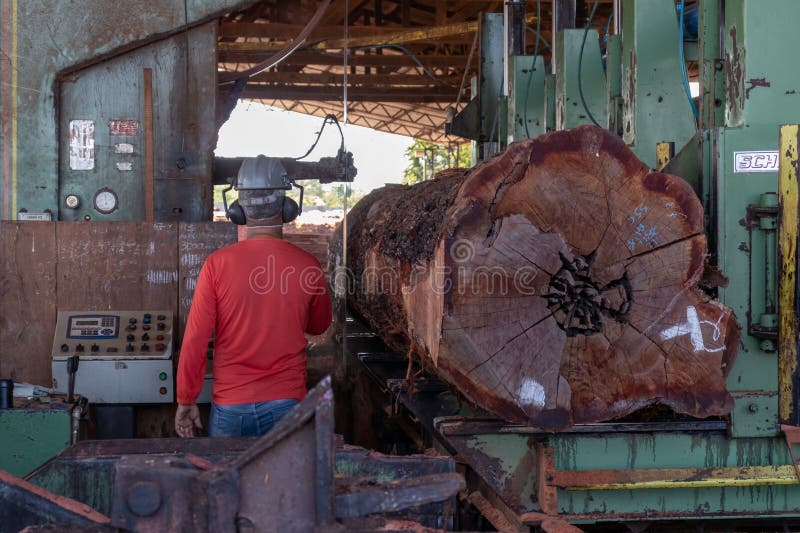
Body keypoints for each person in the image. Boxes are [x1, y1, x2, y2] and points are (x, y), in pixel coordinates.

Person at [174, 187, 332, 437]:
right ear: (288, 209)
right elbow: (319, 325)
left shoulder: (217, 264)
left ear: (237, 211)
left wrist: (186, 399)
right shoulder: (308, 265)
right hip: (287, 403)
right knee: (287, 476)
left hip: (231, 405)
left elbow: (196, 339)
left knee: (228, 476)